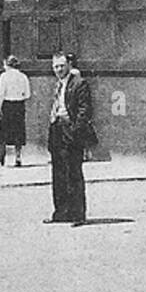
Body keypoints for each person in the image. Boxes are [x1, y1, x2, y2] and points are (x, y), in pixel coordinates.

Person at [45, 52, 95, 225]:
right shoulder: (58, 85)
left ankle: (78, 214)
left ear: (68, 65)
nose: (58, 69)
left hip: (71, 133)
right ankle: (61, 212)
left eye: (61, 66)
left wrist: (75, 130)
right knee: (58, 174)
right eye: (55, 67)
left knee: (73, 174)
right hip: (57, 132)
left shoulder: (79, 84)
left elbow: (85, 110)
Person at [0, 55, 30, 166]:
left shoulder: (4, 76)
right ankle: (18, 157)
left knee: (3, 132)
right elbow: (27, 94)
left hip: (7, 105)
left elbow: (0, 94)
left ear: (7, 65)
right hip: (19, 105)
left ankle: (2, 156)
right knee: (18, 131)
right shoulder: (23, 76)